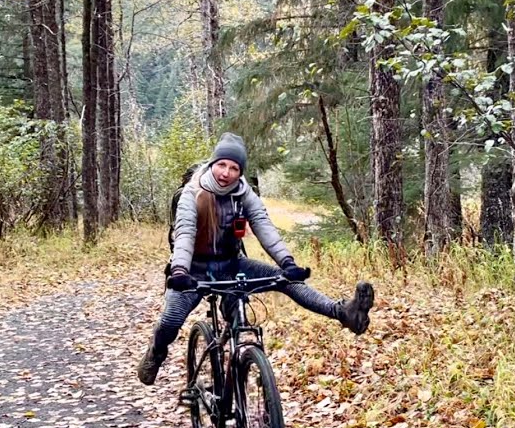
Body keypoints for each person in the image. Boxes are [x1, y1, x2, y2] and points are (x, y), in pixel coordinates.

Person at [137, 133, 375, 385]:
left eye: (234, 168)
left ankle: (344, 313)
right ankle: (156, 353)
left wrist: (287, 263)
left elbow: (264, 225)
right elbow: (185, 232)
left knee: (287, 282)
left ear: (240, 173)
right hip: (191, 271)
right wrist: (179, 271)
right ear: (212, 164)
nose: (226, 172)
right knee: (171, 320)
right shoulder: (192, 192)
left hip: (232, 264)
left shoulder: (243, 193)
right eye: (222, 165)